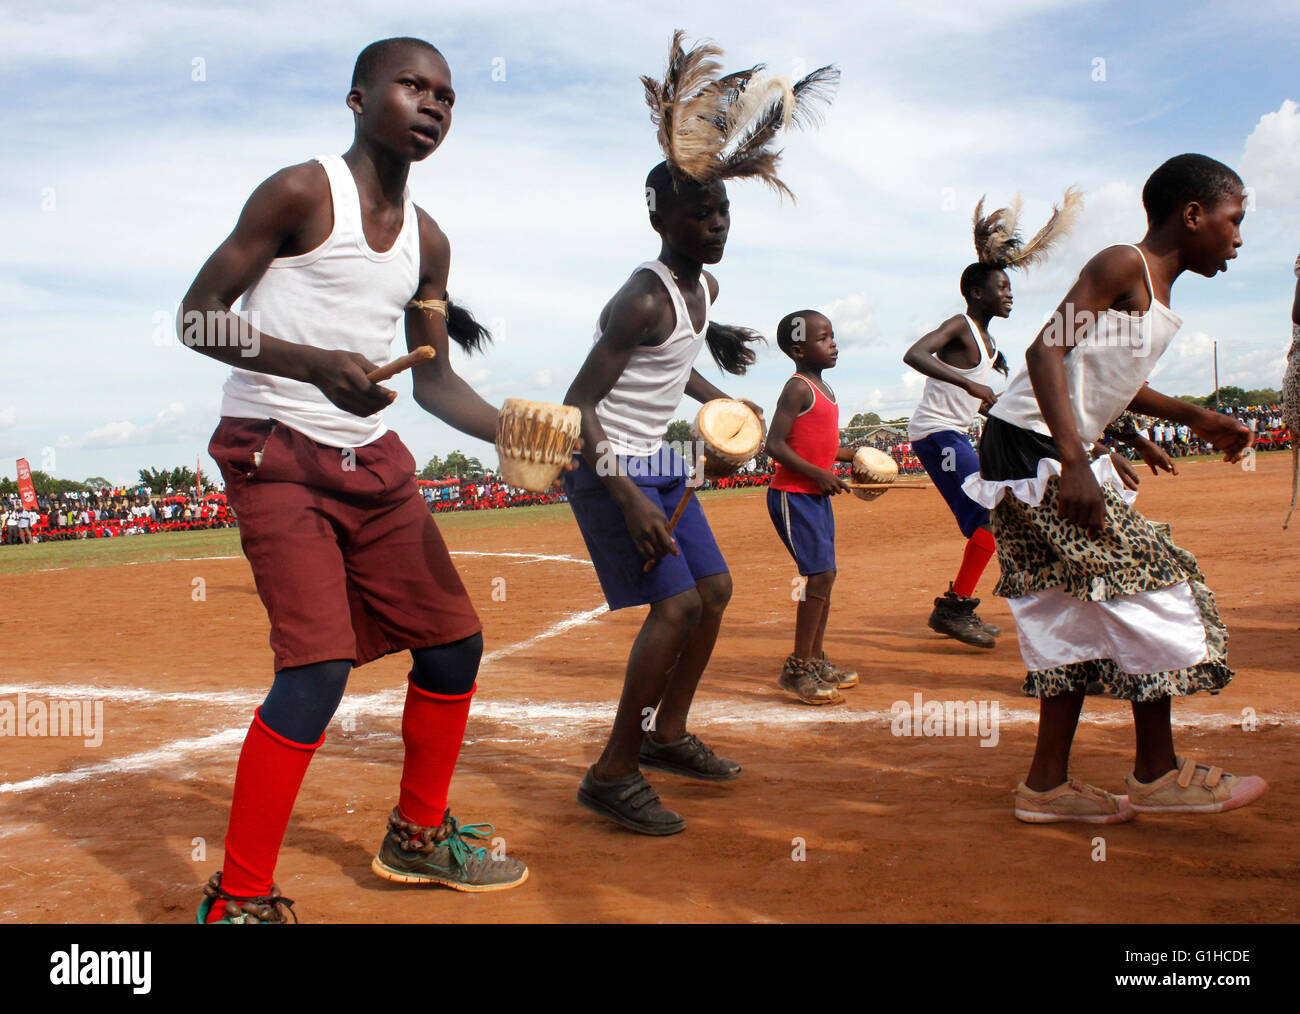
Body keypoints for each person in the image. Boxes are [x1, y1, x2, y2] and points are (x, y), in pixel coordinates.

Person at [179, 37, 540, 923]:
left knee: (453, 643)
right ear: (357, 97)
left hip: (368, 458)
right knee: (318, 667)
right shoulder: (301, 192)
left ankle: (417, 835)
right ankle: (240, 900)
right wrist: (310, 364)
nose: (432, 105)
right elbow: (196, 318)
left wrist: (522, 433)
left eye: (447, 96)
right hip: (275, 449)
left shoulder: (430, 242)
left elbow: (434, 381)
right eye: (412, 86)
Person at [562, 32, 837, 835]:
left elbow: (674, 367)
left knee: (714, 592)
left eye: (721, 207)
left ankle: (668, 735)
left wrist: (726, 401)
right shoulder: (641, 297)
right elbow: (580, 403)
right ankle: (613, 771)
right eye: (698, 209)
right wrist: (626, 495)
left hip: (659, 461)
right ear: (661, 214)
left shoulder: (701, 287)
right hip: (609, 463)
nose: (715, 220)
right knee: (676, 608)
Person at [964, 153, 1267, 822]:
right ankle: (1157, 774)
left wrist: (1190, 417)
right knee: (1152, 577)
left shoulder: (1156, 292)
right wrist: (1076, 460)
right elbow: (1049, 351)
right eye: (1234, 219)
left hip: (1044, 443)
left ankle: (1046, 787)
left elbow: (1106, 377)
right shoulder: (1122, 265)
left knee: (1069, 612)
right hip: (1034, 446)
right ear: (1194, 215)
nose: (1239, 237)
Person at [905, 191, 1081, 648]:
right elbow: (915, 354)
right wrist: (971, 387)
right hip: (936, 436)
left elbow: (978, 393)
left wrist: (993, 404)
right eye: (1001, 289)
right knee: (990, 517)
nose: (1009, 295)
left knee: (994, 520)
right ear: (975, 293)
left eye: (1011, 288)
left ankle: (956, 606)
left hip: (956, 434)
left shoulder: (991, 345)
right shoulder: (960, 326)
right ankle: (954, 609)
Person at [764, 309, 859, 704]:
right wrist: (819, 474)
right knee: (817, 576)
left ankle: (815, 659)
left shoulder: (824, 390)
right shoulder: (798, 387)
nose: (833, 343)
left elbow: (815, 445)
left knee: (826, 576)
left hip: (814, 496)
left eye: (833, 336)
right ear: (798, 349)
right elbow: (775, 445)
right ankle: (799, 668)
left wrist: (851, 456)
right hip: (793, 495)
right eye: (824, 338)